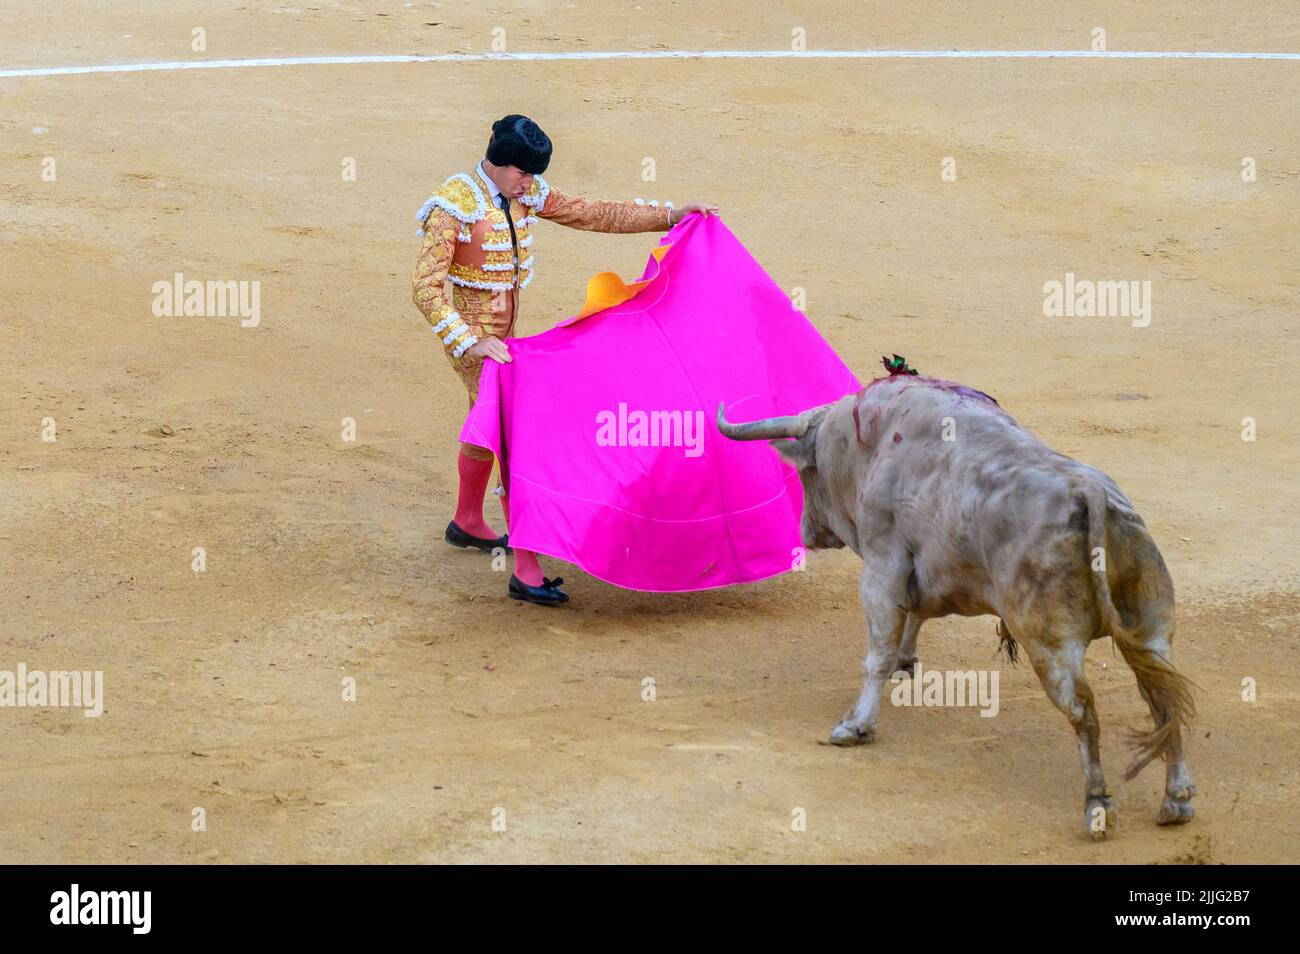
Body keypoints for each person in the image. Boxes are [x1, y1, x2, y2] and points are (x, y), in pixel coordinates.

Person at [412, 114, 718, 605]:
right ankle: (527, 569)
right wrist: (469, 340)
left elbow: (591, 212)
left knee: (486, 422)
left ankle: (467, 520)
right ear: (497, 164)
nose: (528, 184)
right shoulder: (454, 205)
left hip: (506, 334)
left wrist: (669, 215)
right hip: (475, 339)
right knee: (512, 434)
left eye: (532, 176)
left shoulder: (523, 192)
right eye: (522, 175)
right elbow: (424, 289)